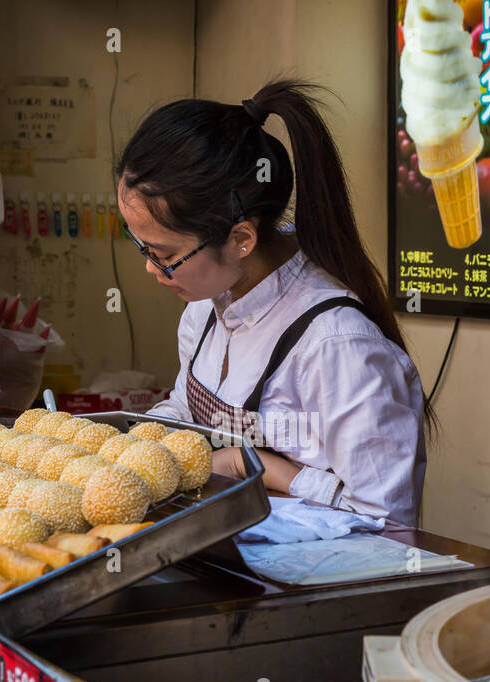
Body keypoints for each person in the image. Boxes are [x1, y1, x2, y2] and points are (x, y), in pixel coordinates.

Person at [116, 80, 427, 526]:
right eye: (140, 246)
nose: (151, 268)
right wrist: (139, 443)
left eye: (163, 254)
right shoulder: (205, 308)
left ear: (241, 238)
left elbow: (386, 522)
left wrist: (258, 467)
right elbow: (186, 409)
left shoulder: (335, 346)